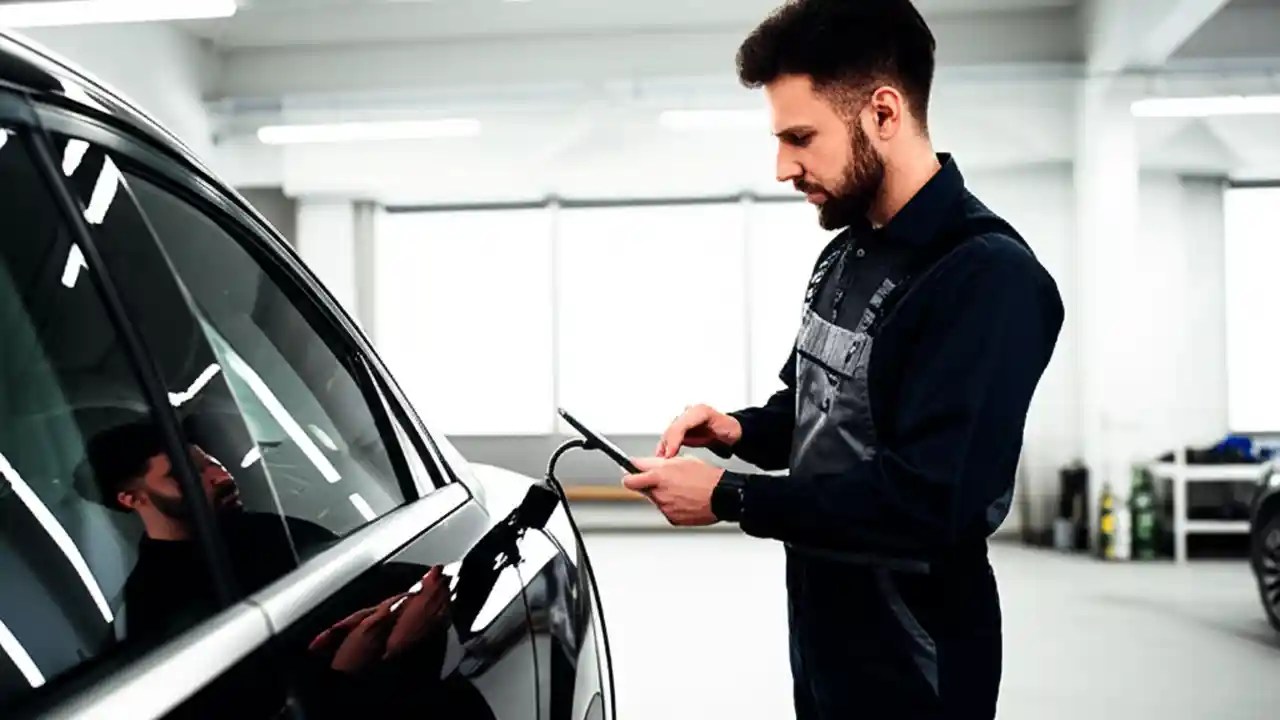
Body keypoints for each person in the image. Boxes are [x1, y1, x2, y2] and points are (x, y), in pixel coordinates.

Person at [621, 1, 1065, 718]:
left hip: (917, 652)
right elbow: (813, 413)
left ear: (883, 114)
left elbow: (928, 502)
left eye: (801, 137)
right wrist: (735, 430)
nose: (781, 167)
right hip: (826, 626)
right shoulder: (846, 253)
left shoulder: (988, 278)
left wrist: (728, 497)